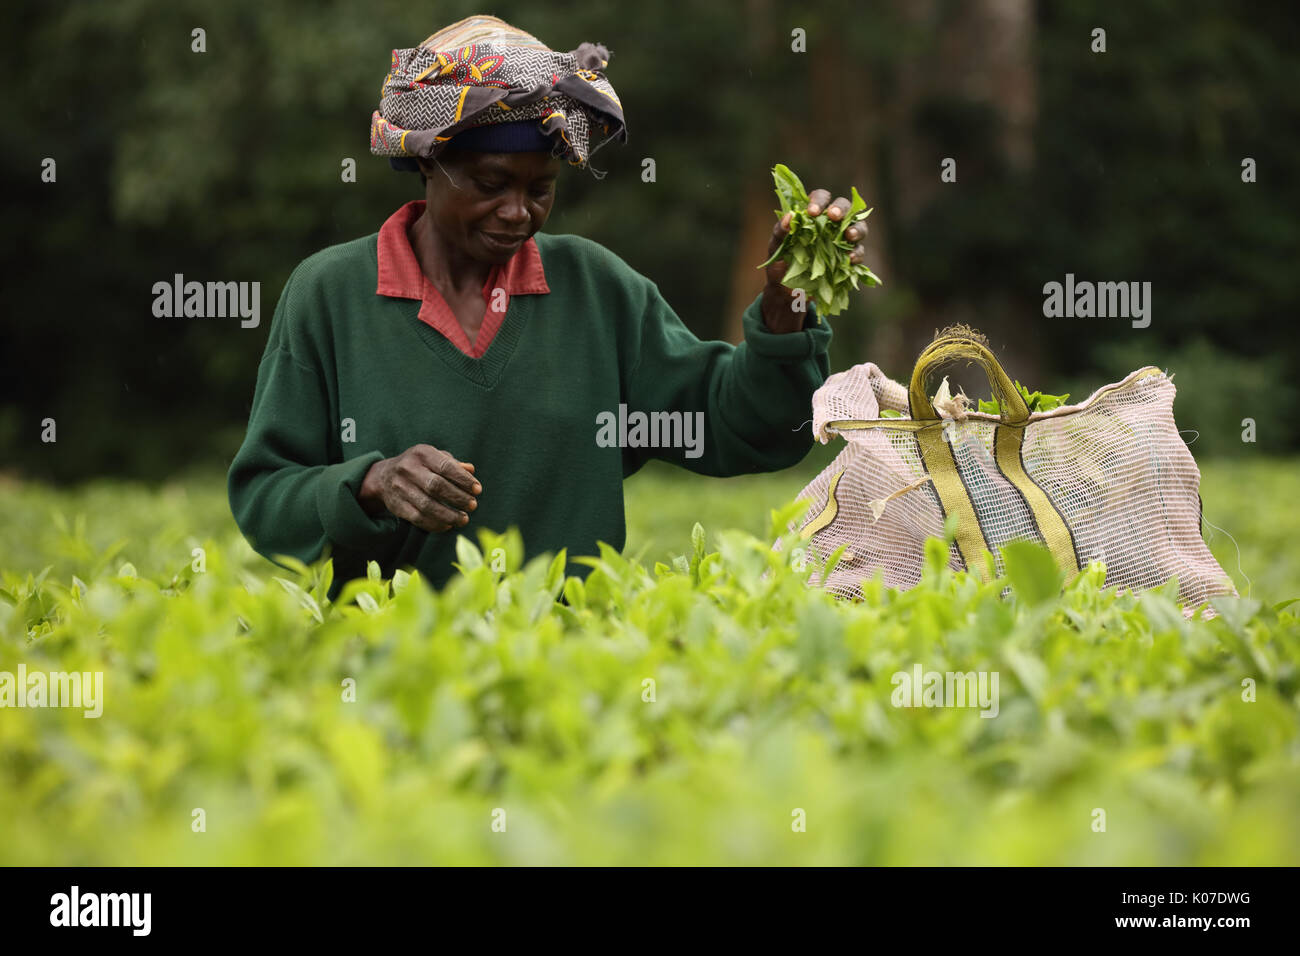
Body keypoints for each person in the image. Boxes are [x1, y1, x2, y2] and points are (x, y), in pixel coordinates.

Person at [227, 15, 872, 594]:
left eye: (541, 189)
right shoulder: (330, 295)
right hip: (391, 672)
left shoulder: (596, 290)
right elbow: (265, 497)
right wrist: (369, 484)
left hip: (568, 670)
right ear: (427, 162)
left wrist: (788, 304)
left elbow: (749, 429)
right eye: (489, 184)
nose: (517, 212)